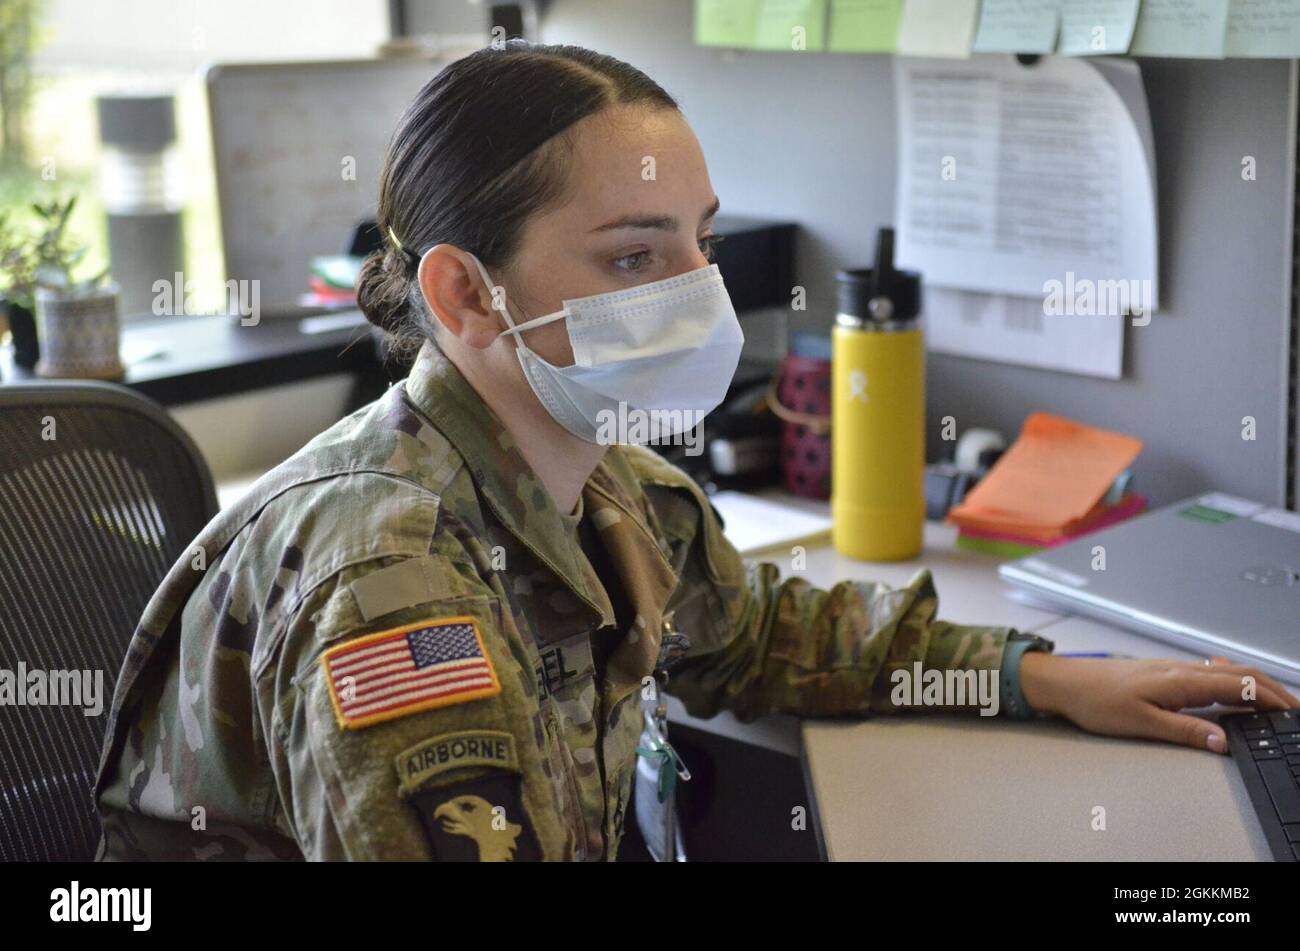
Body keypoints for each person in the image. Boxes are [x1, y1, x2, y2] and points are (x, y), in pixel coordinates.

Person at [94, 41, 1298, 862]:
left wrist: (1038, 677)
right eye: (632, 258)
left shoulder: (603, 472)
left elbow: (760, 631)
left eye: (698, 244)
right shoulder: (390, 576)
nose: (697, 295)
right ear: (464, 294)